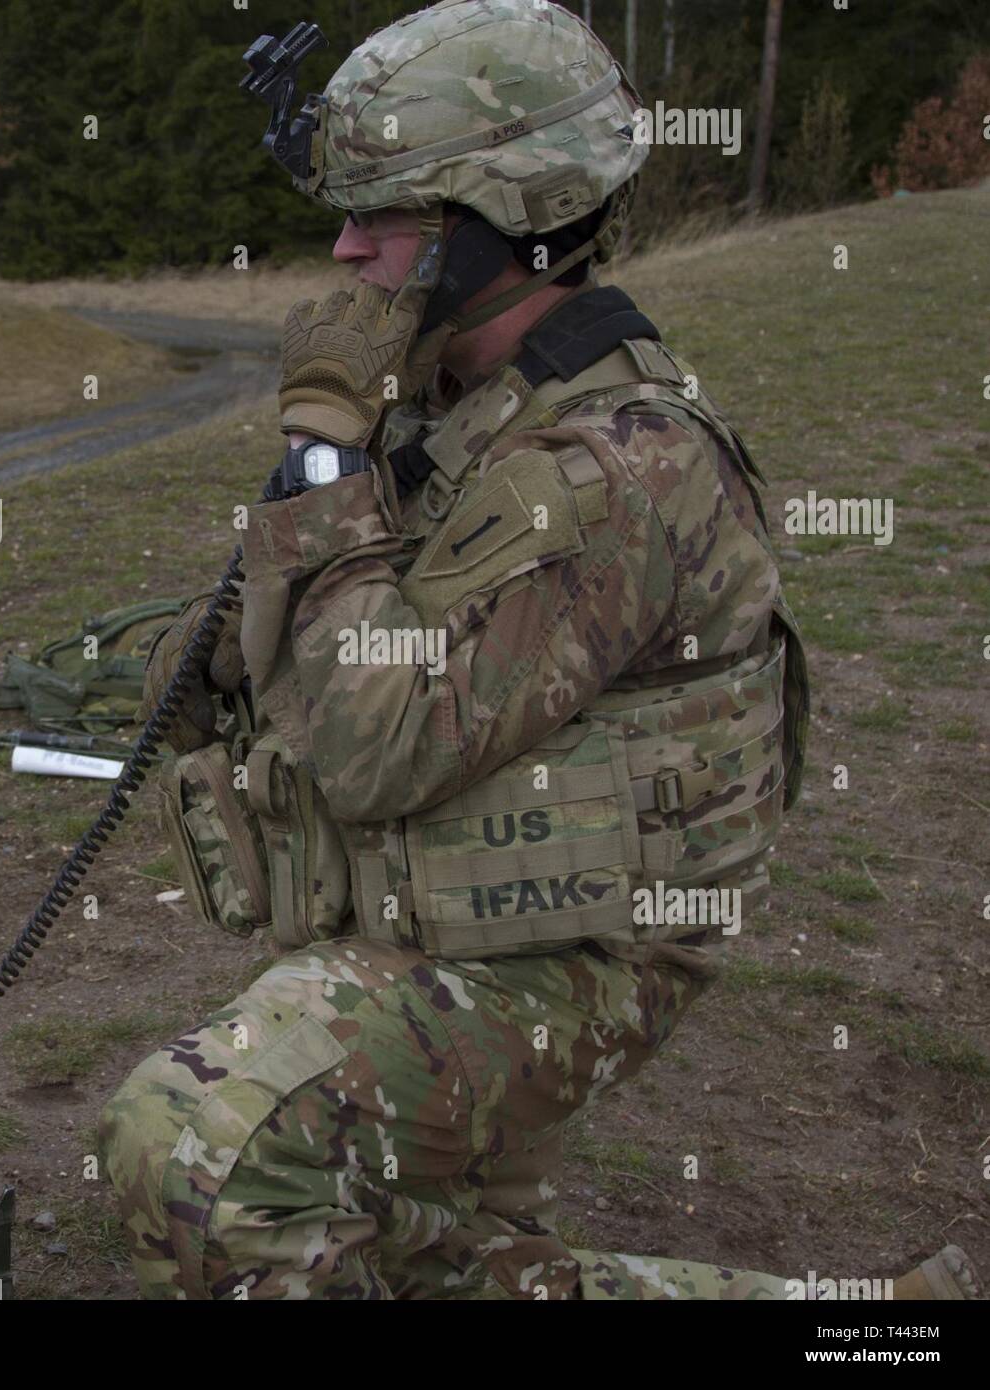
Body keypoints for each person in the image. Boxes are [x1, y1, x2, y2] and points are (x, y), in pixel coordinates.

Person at [98, 0, 972, 1302]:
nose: (341, 251)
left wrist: (326, 446)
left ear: (492, 230)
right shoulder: (479, 400)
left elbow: (374, 746)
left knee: (191, 1144)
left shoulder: (620, 461)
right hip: (491, 878)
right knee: (383, 1217)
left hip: (589, 948)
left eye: (380, 219)